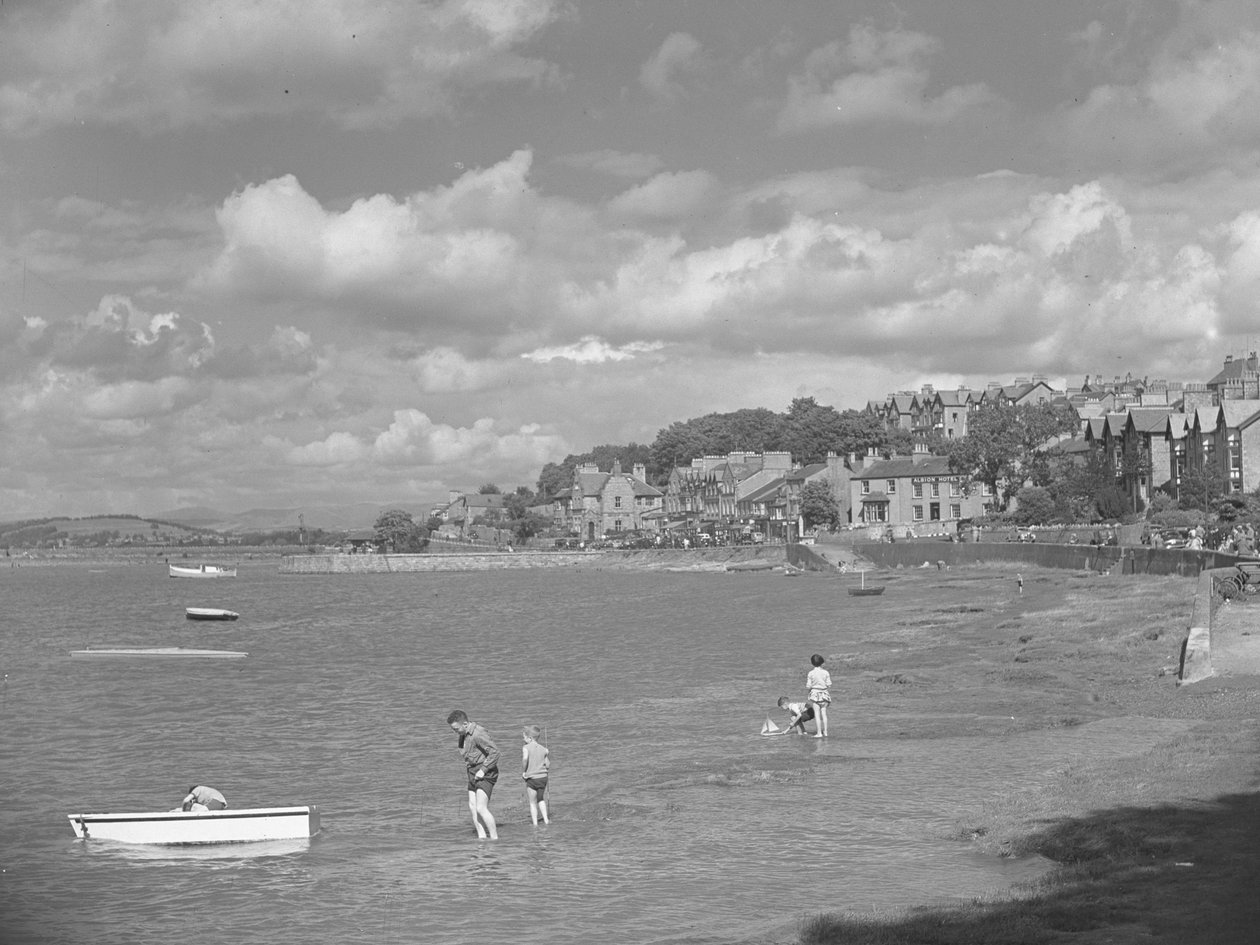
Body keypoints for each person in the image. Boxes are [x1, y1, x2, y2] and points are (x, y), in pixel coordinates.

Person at [447, 709, 500, 840]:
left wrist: (483, 770)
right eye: (453, 729)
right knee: (472, 806)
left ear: (465, 724)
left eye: (456, 729)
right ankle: (481, 838)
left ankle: (495, 839)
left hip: (486, 771)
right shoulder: (463, 734)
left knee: (481, 807)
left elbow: (495, 752)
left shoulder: (478, 732)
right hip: (472, 771)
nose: (455, 732)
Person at [521, 724, 551, 825]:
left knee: (532, 802)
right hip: (543, 778)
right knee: (541, 799)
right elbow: (547, 765)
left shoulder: (526, 747)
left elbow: (525, 759)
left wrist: (524, 771)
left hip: (532, 778)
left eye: (524, 737)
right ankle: (546, 820)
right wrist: (546, 754)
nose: (523, 739)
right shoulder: (543, 749)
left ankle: (535, 823)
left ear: (529, 738)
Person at [805, 654, 831, 738]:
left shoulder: (811, 673)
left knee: (817, 714)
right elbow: (829, 684)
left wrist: (810, 691)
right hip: (825, 695)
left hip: (815, 696)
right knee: (824, 713)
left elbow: (808, 686)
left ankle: (819, 733)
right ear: (821, 663)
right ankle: (825, 732)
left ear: (812, 663)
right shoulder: (826, 672)